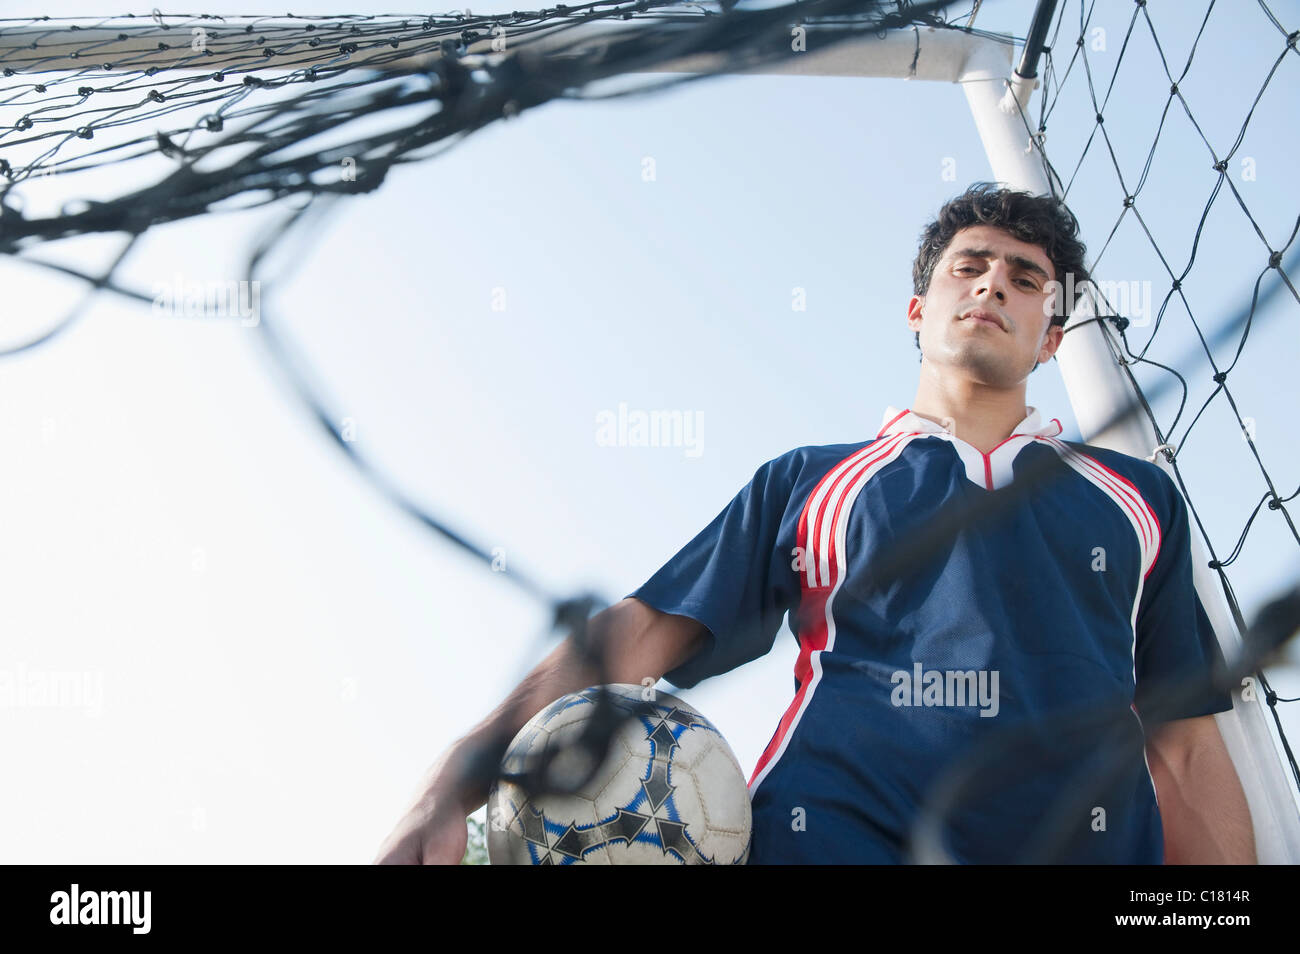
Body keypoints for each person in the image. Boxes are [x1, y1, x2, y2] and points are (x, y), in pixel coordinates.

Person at [375, 182, 1256, 864]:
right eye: (970, 264)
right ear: (919, 312)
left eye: (1026, 279)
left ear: (1051, 338)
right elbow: (636, 633)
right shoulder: (812, 480)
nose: (994, 283)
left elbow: (1182, 746)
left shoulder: (1137, 498)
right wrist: (456, 778)